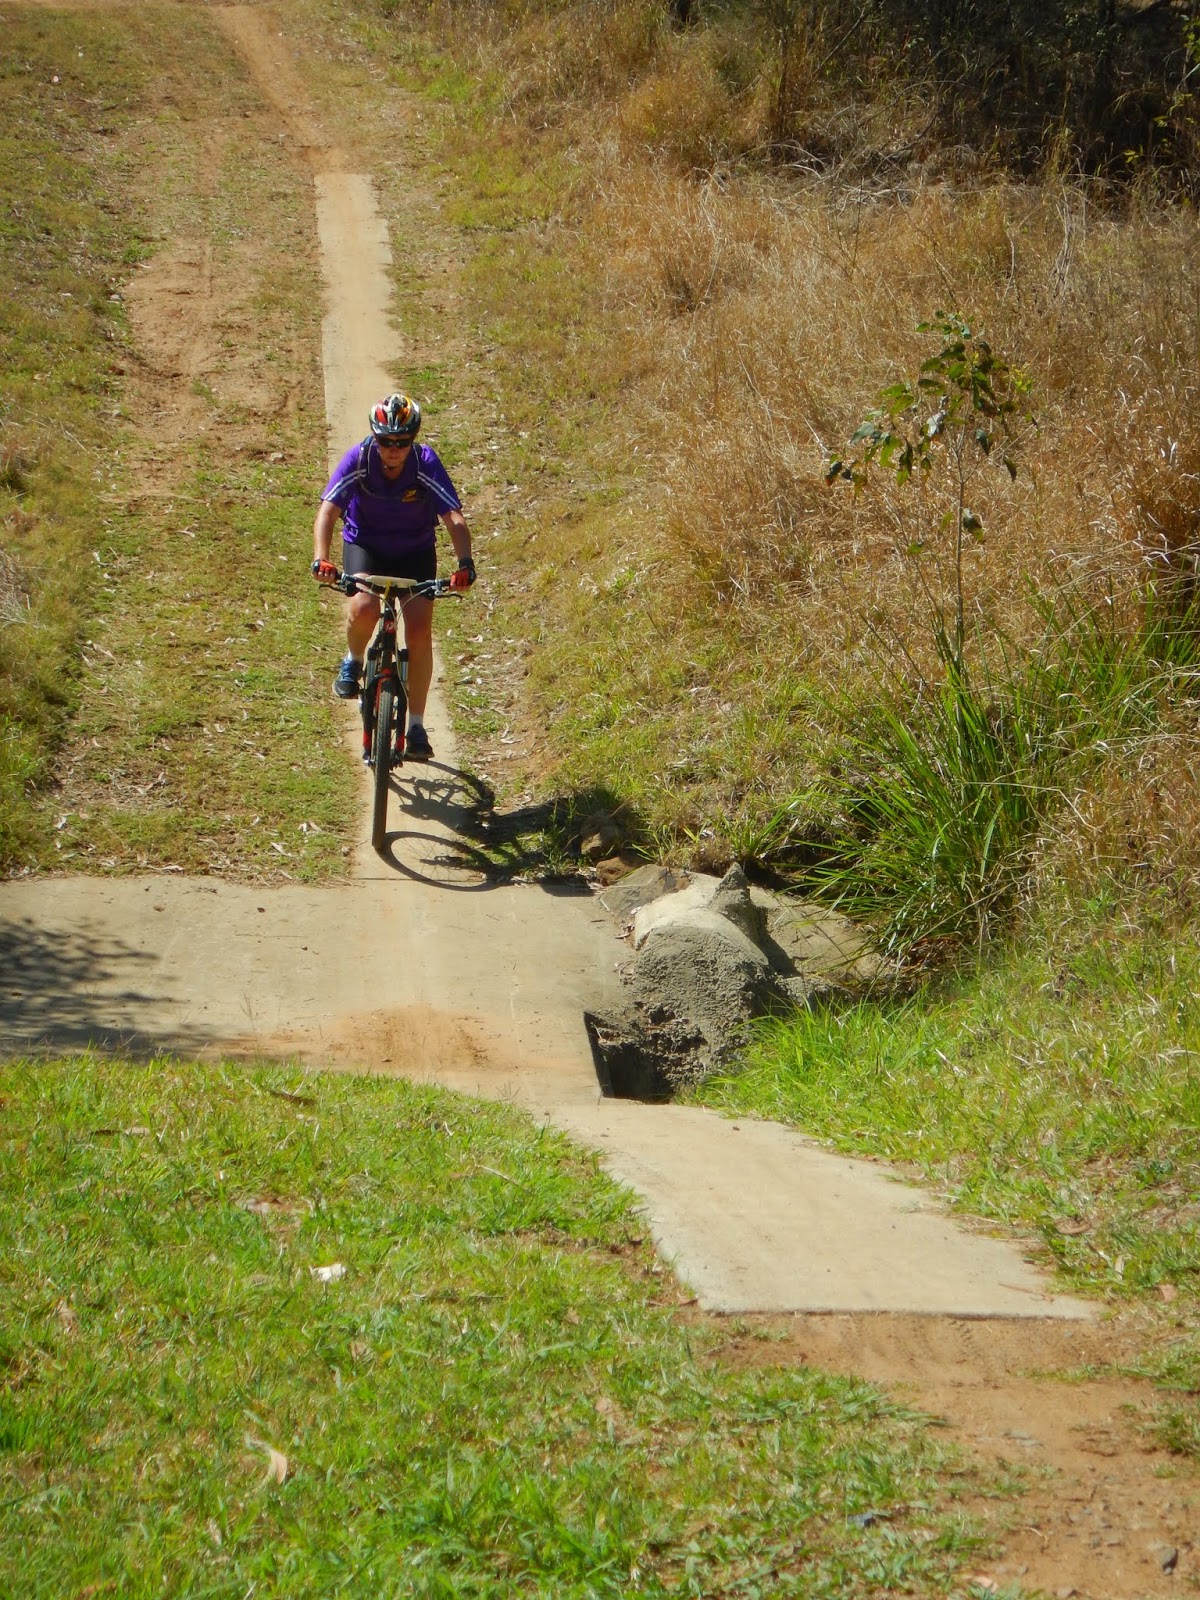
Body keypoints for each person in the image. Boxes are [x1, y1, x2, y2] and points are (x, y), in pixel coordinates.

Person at [311, 392, 476, 761]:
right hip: (366, 545)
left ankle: (416, 725)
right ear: (376, 438)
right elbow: (328, 511)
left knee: (418, 631)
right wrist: (321, 559)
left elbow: (453, 518)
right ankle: (353, 659)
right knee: (365, 606)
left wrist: (465, 563)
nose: (393, 450)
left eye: (402, 443)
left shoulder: (424, 464)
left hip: (415, 551)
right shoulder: (359, 459)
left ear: (412, 440)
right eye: (386, 442)